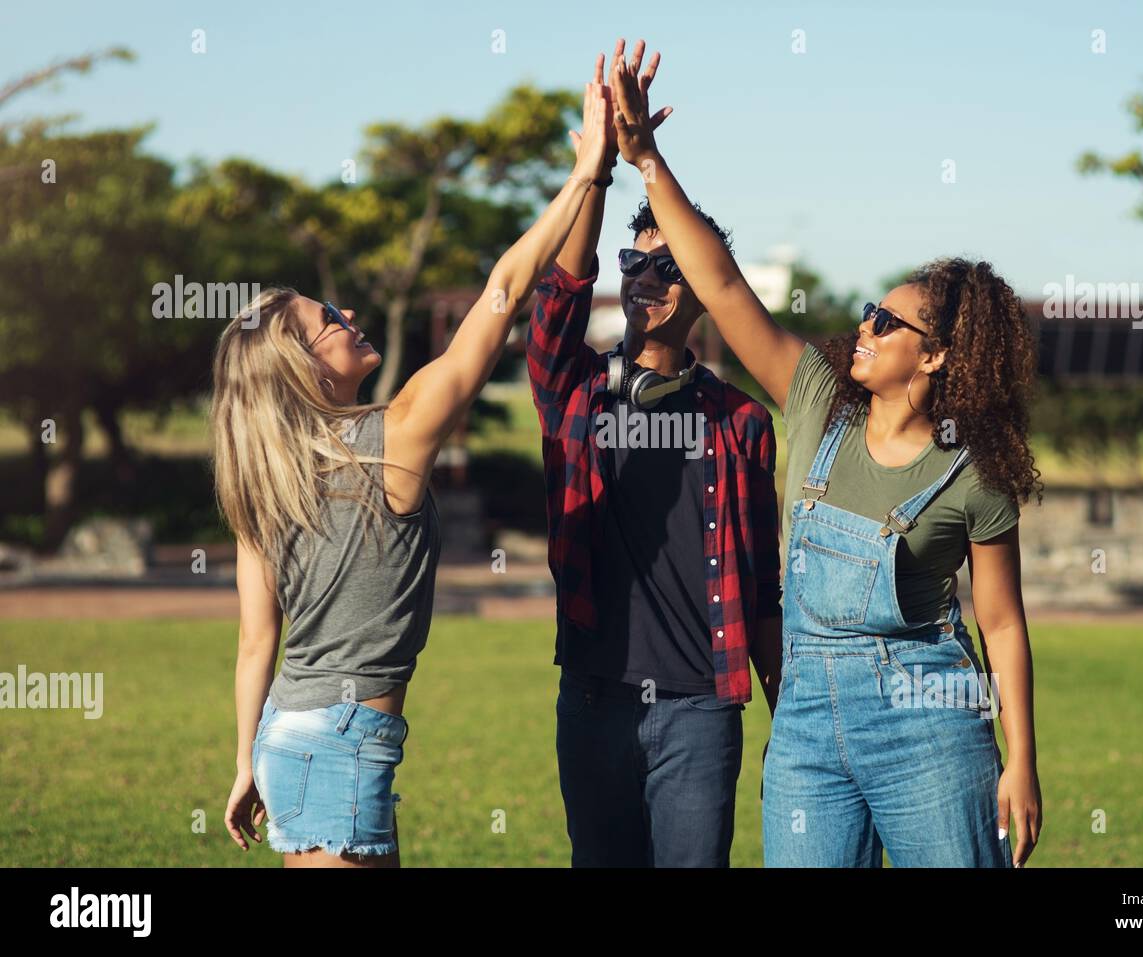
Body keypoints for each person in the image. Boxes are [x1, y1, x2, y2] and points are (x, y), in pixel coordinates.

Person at [608, 42, 1044, 867]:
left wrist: (1020, 759)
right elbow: (728, 286)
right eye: (872, 309)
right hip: (807, 728)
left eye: (890, 321)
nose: (868, 325)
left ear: (940, 356)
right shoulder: (814, 397)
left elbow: (1002, 622)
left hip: (932, 725)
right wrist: (648, 162)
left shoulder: (975, 474)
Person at [217, 78, 612, 867]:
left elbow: (257, 641)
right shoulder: (393, 435)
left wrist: (243, 760)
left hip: (299, 737)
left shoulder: (265, 481)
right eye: (327, 321)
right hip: (337, 744)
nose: (348, 317)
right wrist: (581, 179)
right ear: (300, 365)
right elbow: (501, 299)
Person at [529, 42, 783, 867]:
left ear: (704, 287)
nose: (645, 275)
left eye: (669, 265)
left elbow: (764, 585)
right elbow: (559, 302)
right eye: (635, 262)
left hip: (701, 708)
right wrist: (599, 174)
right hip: (594, 699)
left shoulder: (742, 422)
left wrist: (795, 725)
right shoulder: (575, 393)